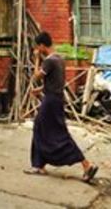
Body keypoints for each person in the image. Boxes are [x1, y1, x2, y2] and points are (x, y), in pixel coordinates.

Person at [25, 31, 98, 182]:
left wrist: (37, 59)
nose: (38, 50)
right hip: (56, 99)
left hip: (51, 102)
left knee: (54, 132)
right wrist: (39, 90)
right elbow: (55, 83)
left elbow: (36, 76)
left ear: (42, 46)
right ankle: (39, 164)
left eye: (38, 48)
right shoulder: (60, 59)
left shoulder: (49, 61)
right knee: (43, 128)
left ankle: (86, 165)